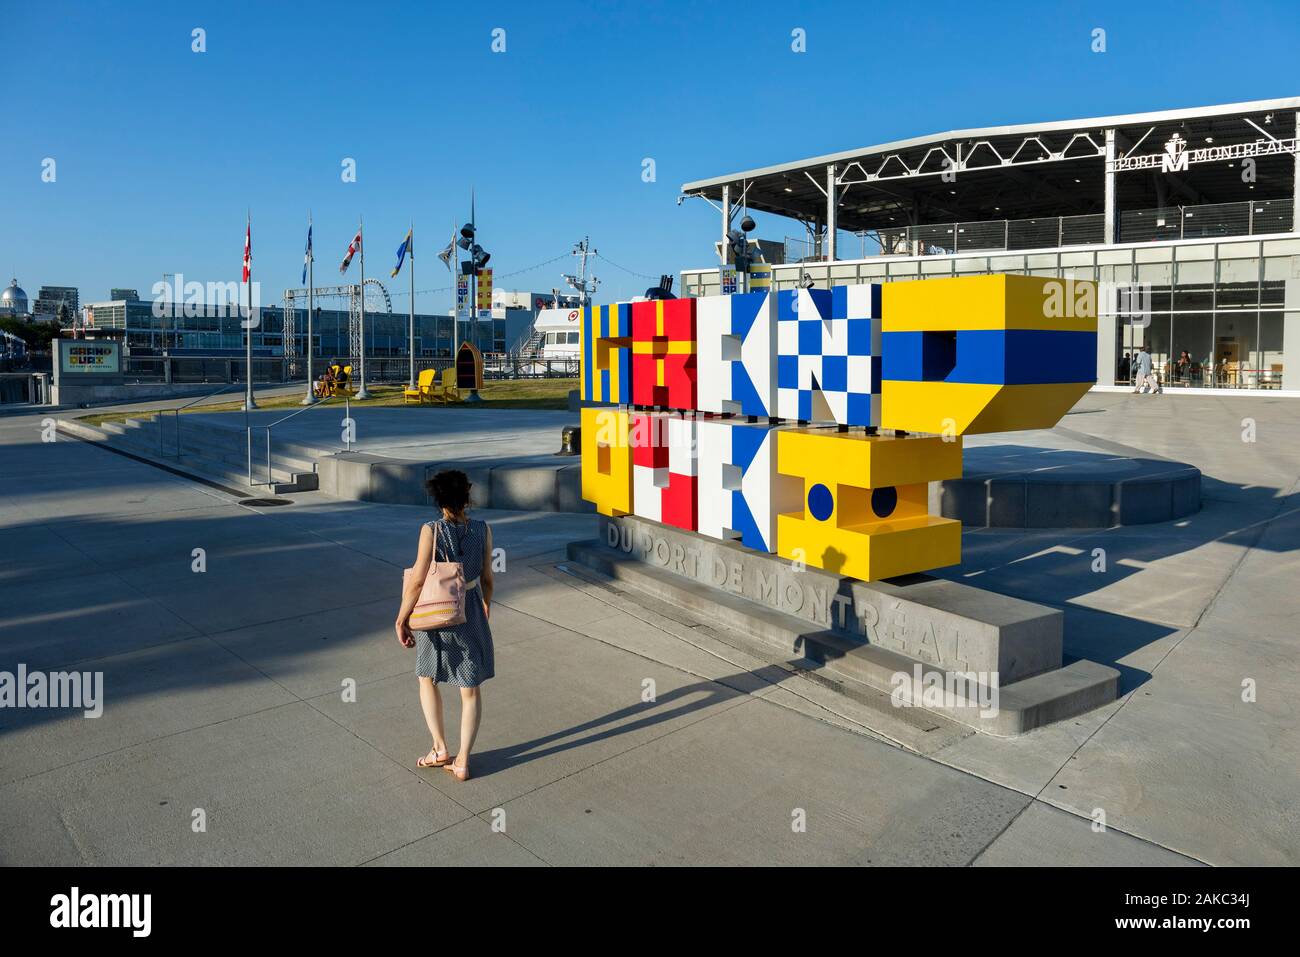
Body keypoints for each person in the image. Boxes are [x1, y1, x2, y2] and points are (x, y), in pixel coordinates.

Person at [394, 469, 495, 782]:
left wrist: (401, 617)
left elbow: (418, 579)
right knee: (470, 688)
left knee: (427, 676)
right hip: (470, 610)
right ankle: (462, 761)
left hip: (437, 613)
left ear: (438, 500)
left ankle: (439, 749)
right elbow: (488, 578)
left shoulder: (431, 529)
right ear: (467, 496)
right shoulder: (483, 529)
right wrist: (485, 604)